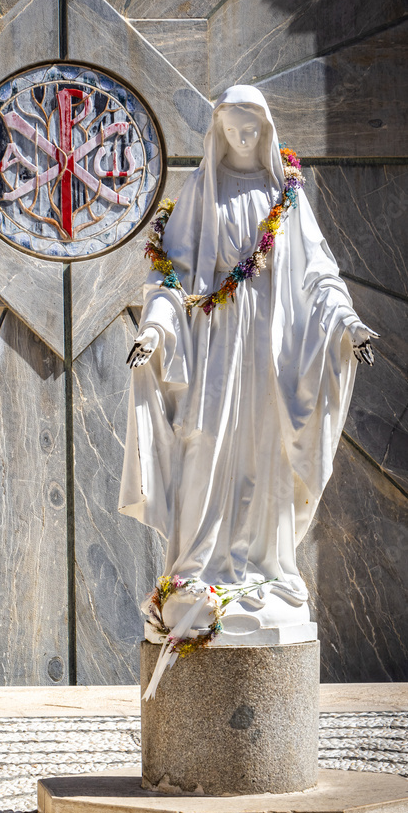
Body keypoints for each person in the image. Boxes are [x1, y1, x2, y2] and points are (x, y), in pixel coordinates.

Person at [119, 84, 377, 645]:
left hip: (270, 354)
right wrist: (156, 328)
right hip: (214, 353)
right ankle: (197, 572)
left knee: (266, 457)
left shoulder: (284, 196)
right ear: (218, 131)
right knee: (204, 448)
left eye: (251, 128)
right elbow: (172, 275)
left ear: (264, 131)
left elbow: (318, 275)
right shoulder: (200, 194)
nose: (243, 137)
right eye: (234, 127)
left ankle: (263, 568)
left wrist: (348, 324)